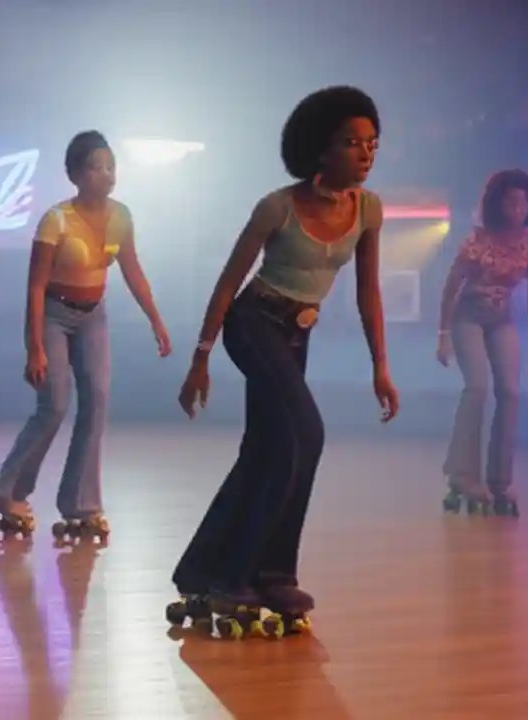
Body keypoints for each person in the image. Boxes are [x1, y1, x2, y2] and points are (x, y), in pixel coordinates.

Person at [168, 86, 399, 634]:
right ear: (320, 149)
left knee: (267, 448)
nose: (366, 153)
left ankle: (216, 568)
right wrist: (199, 358)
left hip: (298, 335)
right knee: (306, 434)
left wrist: (380, 367)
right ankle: (245, 571)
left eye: (372, 143)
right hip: (253, 324)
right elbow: (229, 283)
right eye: (351, 143)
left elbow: (369, 292)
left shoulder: (368, 209)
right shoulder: (278, 206)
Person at [0, 130, 170, 542]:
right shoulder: (56, 220)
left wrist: (155, 318)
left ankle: (81, 503)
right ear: (75, 174)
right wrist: (34, 346)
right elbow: (34, 287)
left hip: (93, 316)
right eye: (96, 167)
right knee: (53, 405)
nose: (106, 175)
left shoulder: (121, 215)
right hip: (53, 314)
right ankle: (10, 492)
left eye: (111, 167)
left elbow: (133, 270)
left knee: (97, 401)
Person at [437, 170, 528, 518]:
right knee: (478, 387)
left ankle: (501, 479)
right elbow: (452, 285)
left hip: (502, 322)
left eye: (523, 202)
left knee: (510, 392)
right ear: (497, 206)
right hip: (467, 318)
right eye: (511, 202)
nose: (518, 209)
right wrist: (442, 335)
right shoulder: (477, 241)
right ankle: (463, 476)